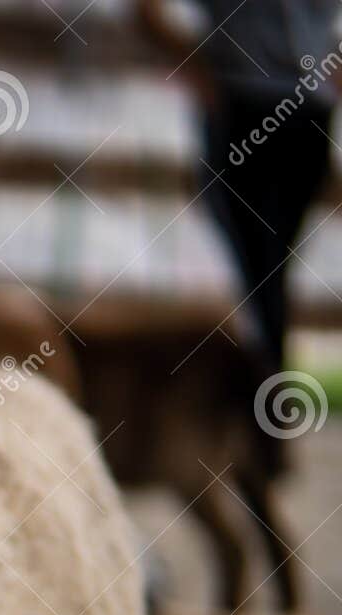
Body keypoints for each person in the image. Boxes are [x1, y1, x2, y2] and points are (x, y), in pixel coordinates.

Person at [141, 0, 340, 374]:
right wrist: (199, 72)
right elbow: (147, 13)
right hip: (247, 110)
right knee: (261, 270)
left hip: (295, 116)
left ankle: (264, 385)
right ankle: (265, 385)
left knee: (266, 269)